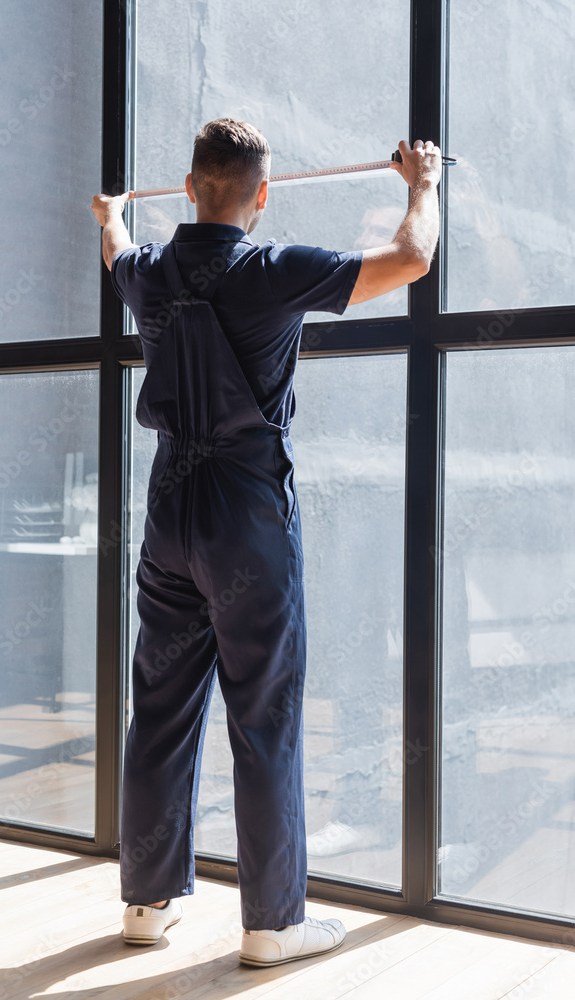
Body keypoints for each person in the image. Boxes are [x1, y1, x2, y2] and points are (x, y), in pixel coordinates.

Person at [91, 118, 441, 967]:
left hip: (169, 508)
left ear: (186, 187)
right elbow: (410, 259)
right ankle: (272, 923)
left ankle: (146, 902)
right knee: (266, 711)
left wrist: (105, 214)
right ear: (261, 194)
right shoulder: (271, 268)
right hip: (245, 512)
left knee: (161, 705)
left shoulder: (148, 271)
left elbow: (114, 248)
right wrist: (423, 183)